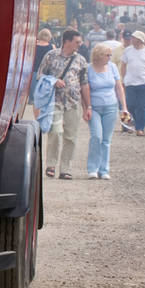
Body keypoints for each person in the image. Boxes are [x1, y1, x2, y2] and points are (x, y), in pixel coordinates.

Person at [38, 27, 91, 179]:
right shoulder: (51, 56)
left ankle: (65, 168)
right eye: (77, 42)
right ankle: (51, 164)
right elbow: (40, 75)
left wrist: (88, 106)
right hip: (54, 101)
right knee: (55, 132)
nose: (79, 45)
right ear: (67, 41)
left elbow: (84, 84)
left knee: (71, 137)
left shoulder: (80, 60)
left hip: (73, 102)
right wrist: (53, 81)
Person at [85, 43, 128, 179]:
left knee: (106, 140)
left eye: (110, 55)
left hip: (111, 105)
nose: (110, 57)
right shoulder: (88, 69)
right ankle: (92, 167)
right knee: (96, 136)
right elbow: (84, 90)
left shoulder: (113, 67)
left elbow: (119, 87)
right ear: (99, 55)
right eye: (107, 55)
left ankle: (104, 170)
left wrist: (124, 107)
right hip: (95, 106)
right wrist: (86, 107)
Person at [120, 29, 145, 135]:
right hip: (130, 82)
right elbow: (123, 65)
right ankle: (127, 126)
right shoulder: (127, 50)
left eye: (134, 39)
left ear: (140, 40)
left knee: (142, 106)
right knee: (128, 105)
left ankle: (140, 128)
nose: (132, 40)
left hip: (143, 82)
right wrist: (123, 78)